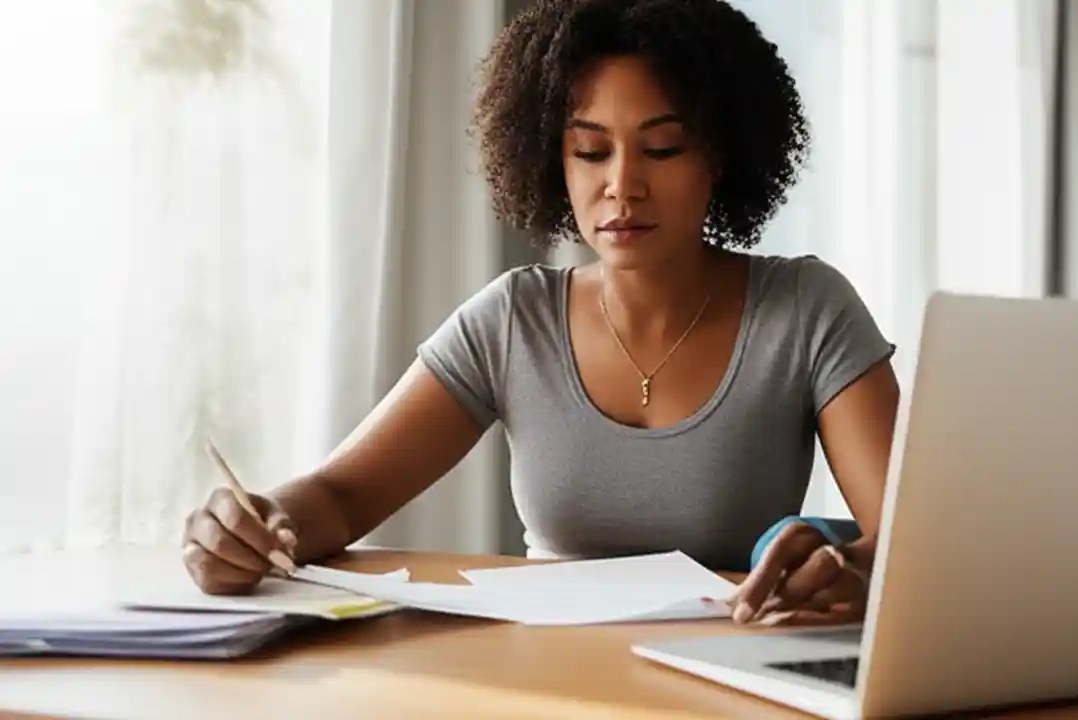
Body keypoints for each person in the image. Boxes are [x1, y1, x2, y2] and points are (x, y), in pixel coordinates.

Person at [181, 0, 899, 627]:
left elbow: (908, 536)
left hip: (734, 674)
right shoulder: (512, 320)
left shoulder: (807, 311)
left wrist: (858, 570)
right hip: (546, 679)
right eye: (590, 151)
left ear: (719, 155)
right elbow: (340, 497)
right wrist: (253, 526)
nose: (623, 185)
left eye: (661, 148)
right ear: (551, 160)